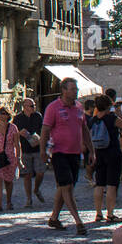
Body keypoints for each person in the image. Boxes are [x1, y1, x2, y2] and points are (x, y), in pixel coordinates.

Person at [40, 77, 93, 235]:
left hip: (75, 153)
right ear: (63, 90)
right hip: (59, 152)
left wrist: (92, 150)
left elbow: (84, 130)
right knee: (67, 187)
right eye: (72, 89)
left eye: (76, 89)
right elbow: (45, 130)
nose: (75, 91)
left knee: (65, 187)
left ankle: (54, 218)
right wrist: (43, 151)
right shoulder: (53, 107)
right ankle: (78, 221)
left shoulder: (78, 107)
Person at [88, 95, 122, 224]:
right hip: (113, 152)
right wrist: (121, 115)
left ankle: (98, 213)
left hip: (99, 153)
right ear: (109, 105)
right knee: (112, 184)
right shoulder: (112, 118)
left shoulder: (93, 120)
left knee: (99, 183)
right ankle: (110, 214)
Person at [0, 107, 21, 212]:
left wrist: (18, 158)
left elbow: (17, 144)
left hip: (10, 156)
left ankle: (9, 202)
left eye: (3, 113)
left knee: (8, 181)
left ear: (8, 115)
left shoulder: (13, 128)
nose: (1, 115)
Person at [14, 98, 45, 206]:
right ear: (25, 107)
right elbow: (13, 133)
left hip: (37, 148)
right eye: (31, 106)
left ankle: (36, 189)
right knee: (27, 175)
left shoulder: (38, 116)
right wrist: (19, 133)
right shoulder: (18, 118)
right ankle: (29, 199)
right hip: (25, 149)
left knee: (40, 172)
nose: (33, 107)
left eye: (34, 105)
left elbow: (43, 130)